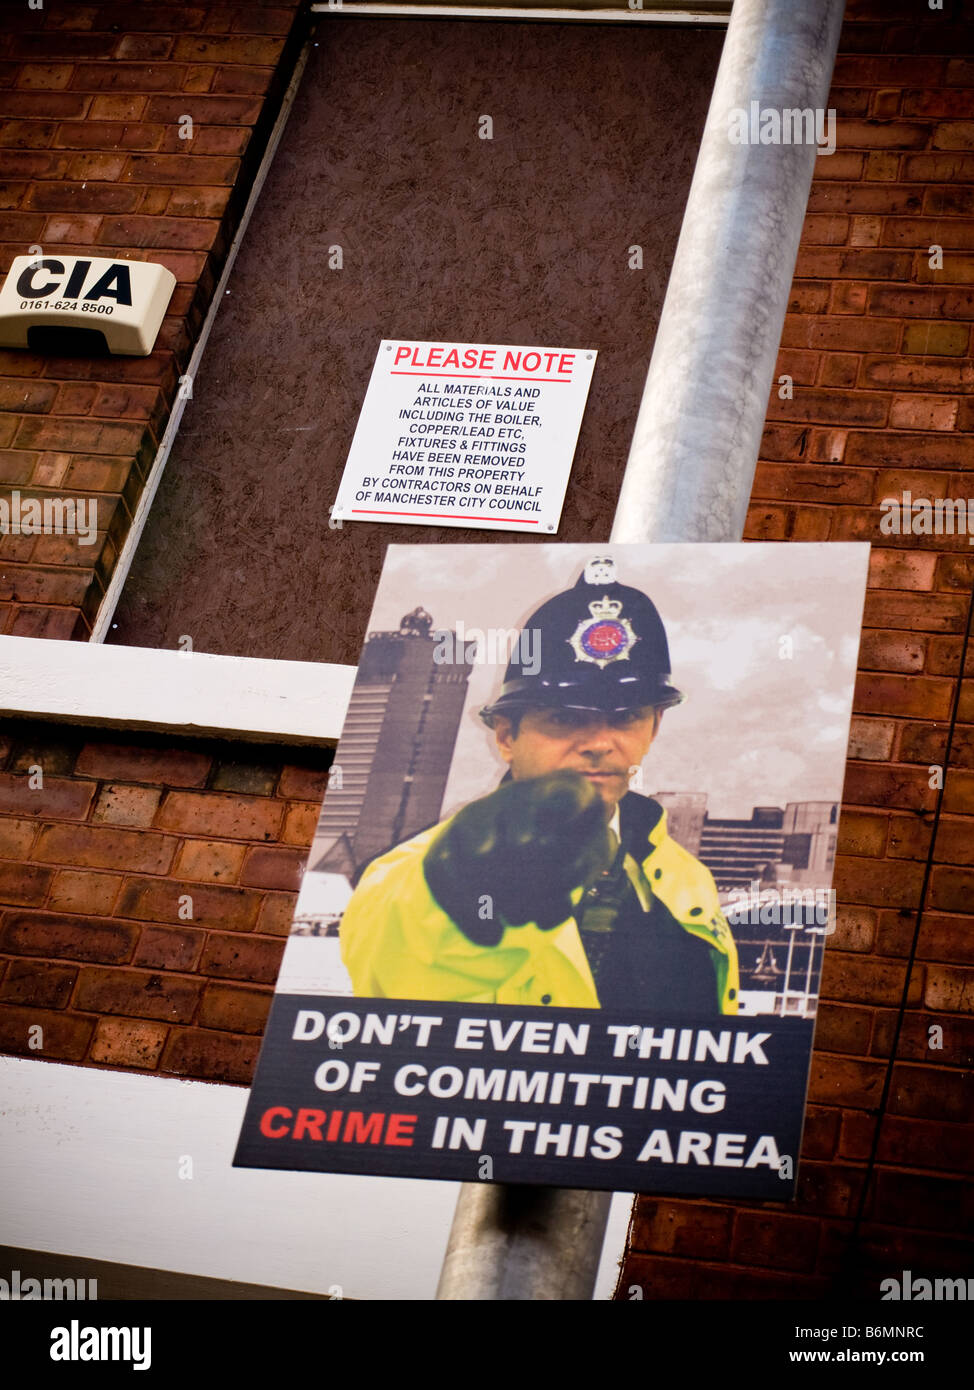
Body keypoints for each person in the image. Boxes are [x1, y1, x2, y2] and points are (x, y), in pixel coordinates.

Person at [340, 556, 739, 1015]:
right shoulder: (413, 873)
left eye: (626, 717)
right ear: (507, 735)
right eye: (566, 718)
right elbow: (415, 946)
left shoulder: (687, 875)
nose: (599, 743)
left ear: (654, 728)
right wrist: (474, 878)